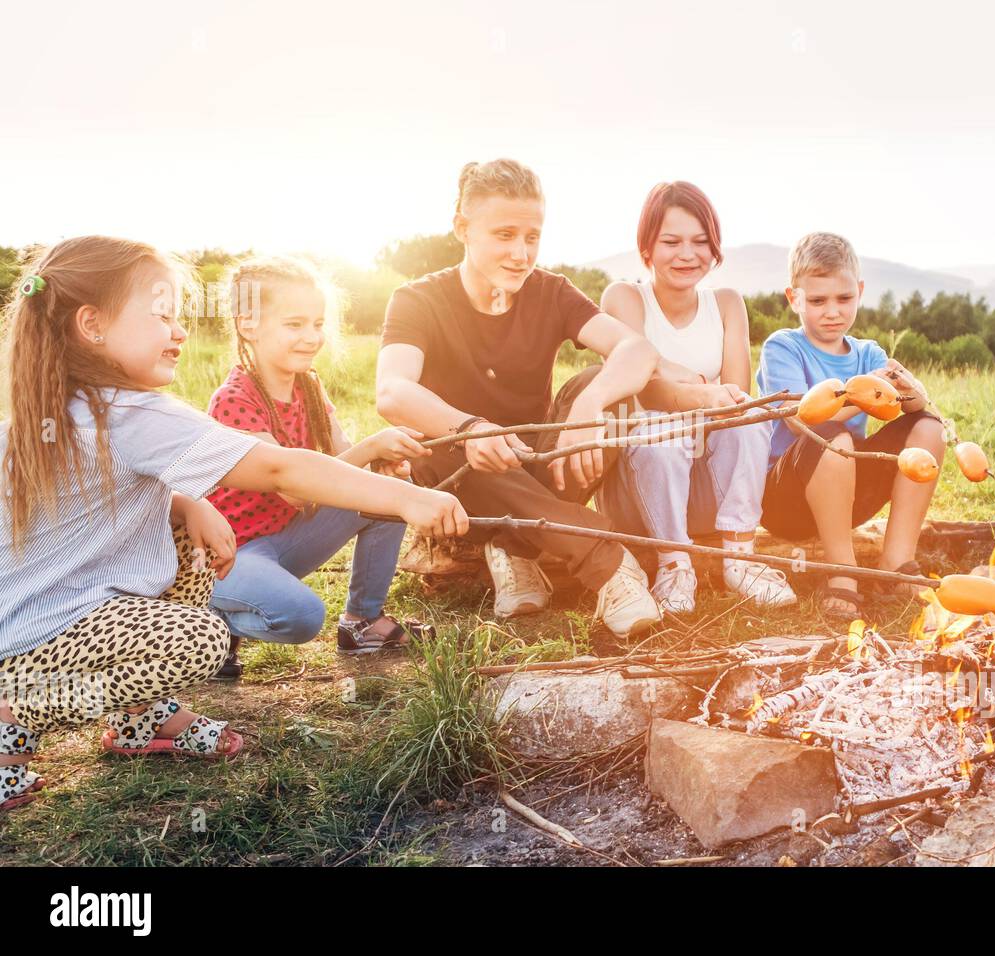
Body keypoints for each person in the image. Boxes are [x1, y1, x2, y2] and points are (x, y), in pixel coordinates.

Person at [0, 236, 467, 813]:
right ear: (92, 324)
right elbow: (276, 466)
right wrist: (404, 496)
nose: (180, 330)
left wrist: (187, 502)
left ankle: (144, 719)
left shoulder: (65, 408)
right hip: (40, 639)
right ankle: (15, 710)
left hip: (52, 616)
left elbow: (101, 495)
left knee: (192, 543)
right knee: (201, 642)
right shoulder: (130, 411)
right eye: (162, 315)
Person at [376, 158, 663, 639]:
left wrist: (590, 408)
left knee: (611, 391)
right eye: (504, 235)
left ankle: (514, 547)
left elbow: (636, 348)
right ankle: (609, 563)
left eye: (532, 237)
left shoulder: (551, 292)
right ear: (462, 228)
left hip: (534, 462)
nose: (520, 253)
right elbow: (392, 391)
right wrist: (468, 428)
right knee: (434, 441)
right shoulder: (417, 299)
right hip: (457, 466)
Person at [206, 256, 430, 679]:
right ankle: (209, 622)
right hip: (232, 555)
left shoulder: (309, 387)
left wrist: (382, 460)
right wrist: (370, 446)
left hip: (286, 539)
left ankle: (362, 621)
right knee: (303, 616)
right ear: (248, 325)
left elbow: (345, 462)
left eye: (317, 324)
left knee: (382, 488)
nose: (312, 337)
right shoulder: (233, 400)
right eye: (295, 324)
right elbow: (294, 487)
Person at [597, 181, 796, 614]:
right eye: (671, 241)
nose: (687, 254)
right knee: (660, 430)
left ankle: (740, 558)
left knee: (751, 418)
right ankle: (673, 565)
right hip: (640, 492)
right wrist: (704, 393)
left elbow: (735, 402)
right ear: (647, 246)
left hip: (706, 493)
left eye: (700, 241)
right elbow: (645, 388)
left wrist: (707, 397)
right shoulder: (624, 298)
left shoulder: (726, 303)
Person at [757, 232, 946, 619]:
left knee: (927, 426)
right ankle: (842, 572)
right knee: (831, 433)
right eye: (817, 301)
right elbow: (801, 418)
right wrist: (865, 388)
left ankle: (895, 562)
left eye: (844, 299)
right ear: (794, 299)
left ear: (859, 292)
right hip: (787, 498)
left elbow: (909, 405)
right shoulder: (783, 347)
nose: (832, 311)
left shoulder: (868, 353)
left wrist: (908, 391)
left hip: (848, 494)